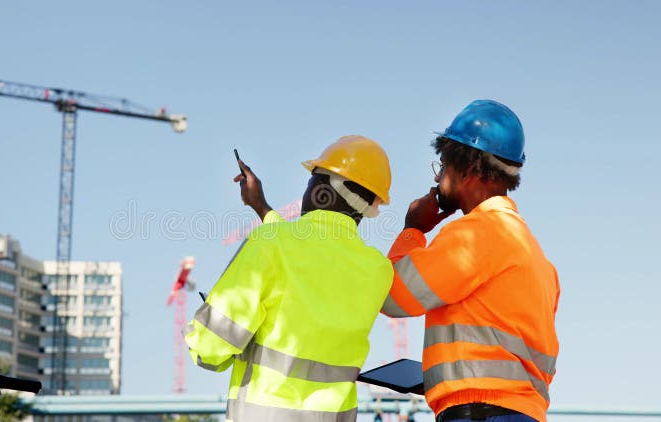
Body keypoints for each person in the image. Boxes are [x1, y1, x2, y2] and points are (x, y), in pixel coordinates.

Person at [184, 135, 396, 421]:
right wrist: (262, 208)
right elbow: (315, 253)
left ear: (321, 191)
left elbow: (210, 349)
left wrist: (201, 329)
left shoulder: (270, 244)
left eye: (310, 182)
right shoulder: (377, 270)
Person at [381, 100, 560, 422]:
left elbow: (393, 295)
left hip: (480, 413)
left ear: (469, 169)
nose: (438, 178)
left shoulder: (476, 233)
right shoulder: (537, 258)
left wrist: (413, 230)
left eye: (443, 166)